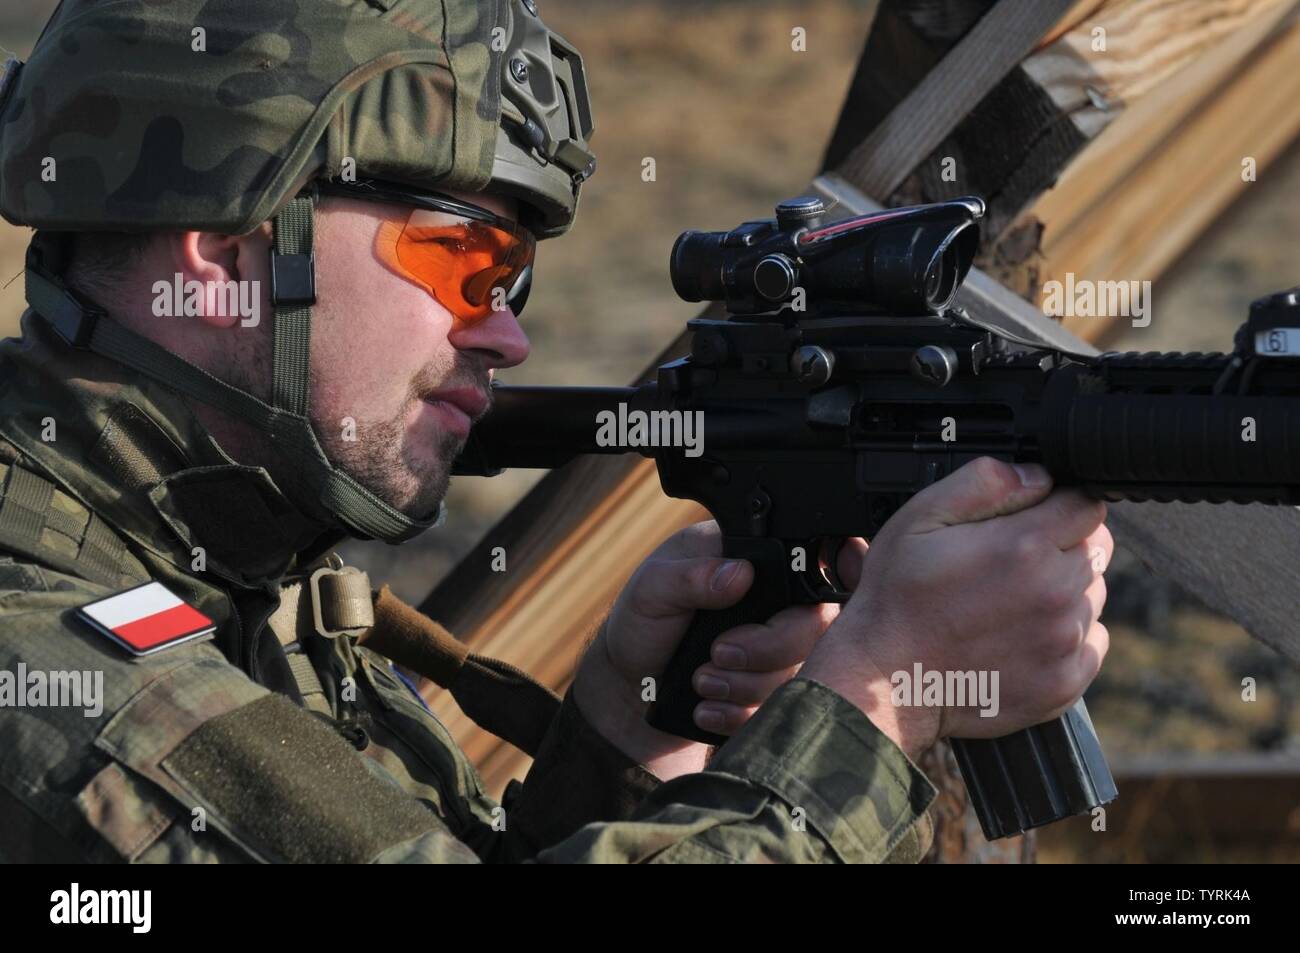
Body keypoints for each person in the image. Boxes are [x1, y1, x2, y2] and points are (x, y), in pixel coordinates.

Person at [0, 0, 1110, 863]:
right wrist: (877, 699)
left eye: (516, 278)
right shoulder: (45, 645)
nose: (505, 336)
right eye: (463, 261)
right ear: (230, 248)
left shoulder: (230, 575)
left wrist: (622, 741)